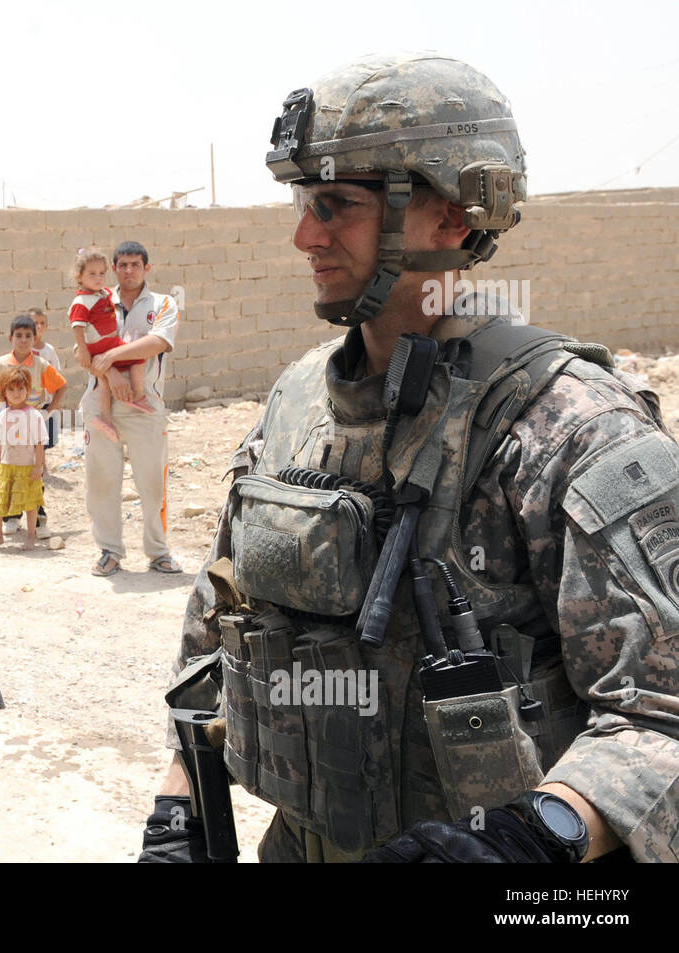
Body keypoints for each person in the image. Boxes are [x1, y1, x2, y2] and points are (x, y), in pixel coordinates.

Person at [142, 52, 679, 864]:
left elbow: (659, 714)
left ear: (454, 219)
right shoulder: (294, 408)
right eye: (302, 201)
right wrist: (177, 809)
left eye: (337, 205)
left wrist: (535, 836)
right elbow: (218, 641)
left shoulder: (568, 426)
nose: (302, 235)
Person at [81, 242, 180, 577]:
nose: (128, 270)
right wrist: (109, 371)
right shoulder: (96, 300)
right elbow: (83, 349)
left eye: (135, 264)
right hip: (100, 403)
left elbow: (159, 342)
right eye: (122, 265)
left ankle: (158, 552)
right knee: (102, 480)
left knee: (152, 482)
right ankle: (109, 551)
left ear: (146, 268)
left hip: (145, 406)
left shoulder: (164, 303)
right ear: (114, 268)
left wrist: (112, 356)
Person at [0, 314, 66, 533]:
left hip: (33, 425)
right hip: (9, 427)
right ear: (10, 337)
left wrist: (49, 410)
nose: (24, 340)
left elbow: (61, 386)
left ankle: (38, 517)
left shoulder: (40, 364)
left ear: (35, 338)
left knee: (34, 471)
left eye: (29, 335)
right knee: (9, 471)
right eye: (19, 335)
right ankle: (11, 516)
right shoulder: (0, 365)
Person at [70, 246, 152, 442]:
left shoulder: (104, 293)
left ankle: (106, 419)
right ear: (79, 277)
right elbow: (77, 327)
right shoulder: (82, 301)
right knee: (135, 357)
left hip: (107, 342)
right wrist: (82, 349)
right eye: (92, 274)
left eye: (101, 273)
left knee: (105, 383)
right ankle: (138, 396)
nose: (98, 278)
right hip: (101, 344)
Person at [0, 367, 47, 551]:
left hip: (27, 466)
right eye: (11, 390)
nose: (16, 394)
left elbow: (40, 444)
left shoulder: (34, 415)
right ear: (3, 392)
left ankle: (30, 536)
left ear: (28, 390)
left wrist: (38, 466)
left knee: (30, 503)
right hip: (6, 466)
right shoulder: (3, 415)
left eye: (21, 389)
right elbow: (1, 442)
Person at [29, 307, 62, 450]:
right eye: (35, 322)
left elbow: (57, 377)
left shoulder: (49, 350)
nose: (39, 326)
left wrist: (56, 402)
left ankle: (42, 466)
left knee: (47, 439)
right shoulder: (24, 348)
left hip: (46, 401)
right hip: (27, 401)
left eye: (42, 323)